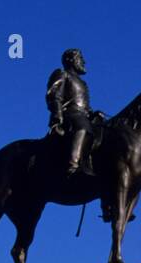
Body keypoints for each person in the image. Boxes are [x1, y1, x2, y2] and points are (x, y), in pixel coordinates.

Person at [46, 48, 97, 177]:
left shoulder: (82, 83)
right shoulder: (63, 74)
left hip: (82, 115)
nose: (83, 62)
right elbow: (54, 94)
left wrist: (92, 113)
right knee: (82, 127)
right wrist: (57, 114)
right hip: (70, 114)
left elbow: (83, 104)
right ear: (70, 60)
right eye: (80, 58)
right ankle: (73, 164)